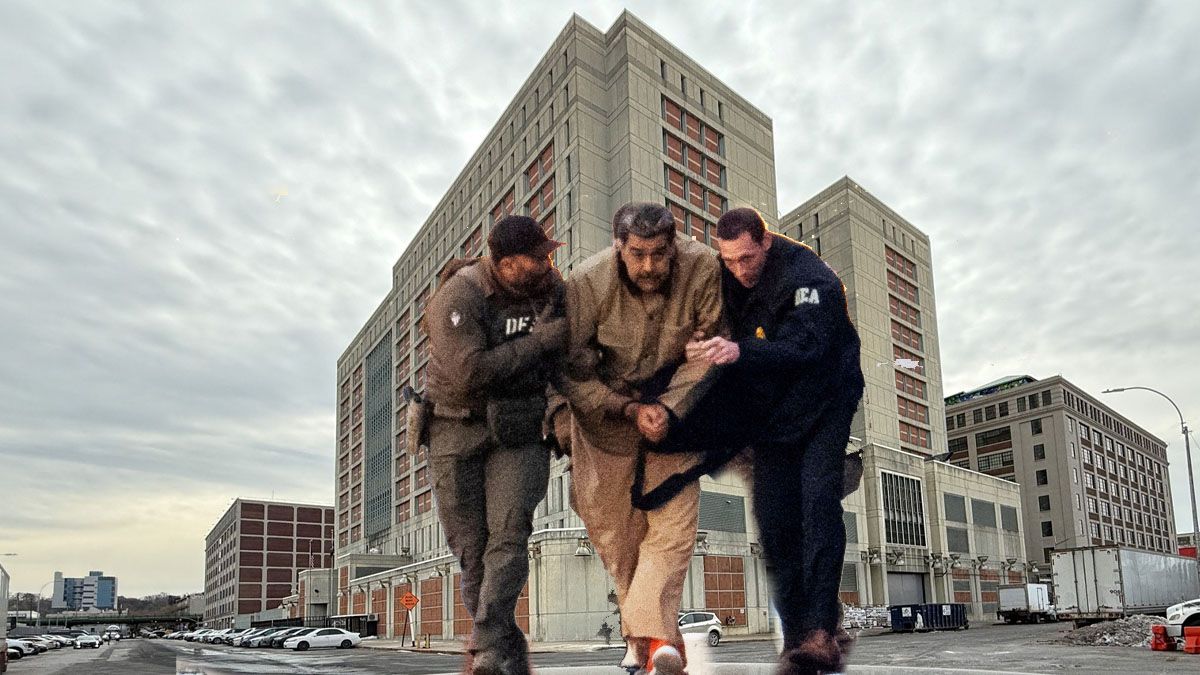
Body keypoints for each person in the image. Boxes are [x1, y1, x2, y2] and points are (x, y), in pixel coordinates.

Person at [640, 207, 864, 675]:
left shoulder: (809, 277)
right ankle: (801, 635)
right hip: (773, 412)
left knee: (818, 503)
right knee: (775, 522)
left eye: (746, 258)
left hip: (825, 400)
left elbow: (809, 348)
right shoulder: (724, 275)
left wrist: (740, 351)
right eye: (730, 261)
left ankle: (821, 633)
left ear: (765, 242)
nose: (739, 270)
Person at [557, 202, 723, 675]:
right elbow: (570, 372)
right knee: (618, 538)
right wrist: (628, 409)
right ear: (619, 247)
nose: (649, 266)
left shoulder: (703, 267)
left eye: (659, 254)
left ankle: (651, 641)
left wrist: (669, 405)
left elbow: (711, 345)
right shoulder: (586, 284)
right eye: (637, 254)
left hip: (678, 417)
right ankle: (647, 641)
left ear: (675, 247)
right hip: (605, 423)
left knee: (672, 531)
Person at [424, 215, 567, 675]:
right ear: (505, 264)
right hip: (454, 427)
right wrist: (537, 343)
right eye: (538, 256)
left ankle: (485, 647)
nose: (549, 261)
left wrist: (559, 404)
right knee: (472, 551)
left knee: (508, 536)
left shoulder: (550, 288)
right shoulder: (460, 294)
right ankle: (507, 644)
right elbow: (468, 374)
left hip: (519, 427)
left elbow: (564, 352)